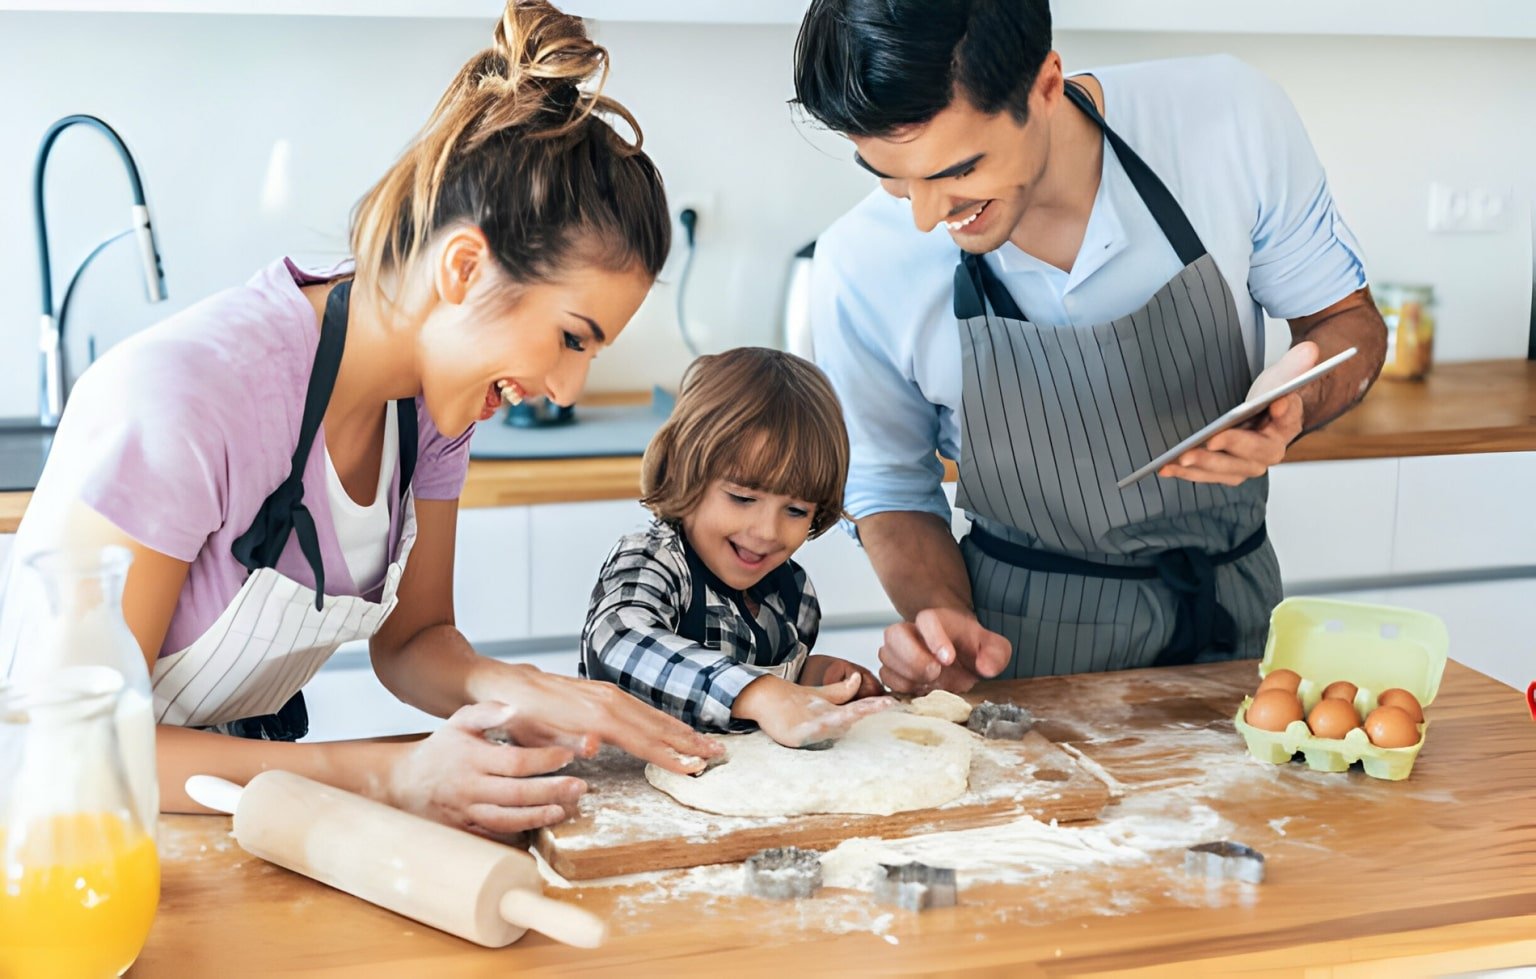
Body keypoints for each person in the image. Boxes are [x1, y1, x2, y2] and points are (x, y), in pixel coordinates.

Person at [0, 0, 722, 839]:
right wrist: (391, 774)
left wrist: (519, 686)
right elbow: (76, 740)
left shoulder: (438, 407)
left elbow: (413, 639)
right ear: (463, 267)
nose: (565, 388)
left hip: (235, 815)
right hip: (57, 832)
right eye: (570, 338)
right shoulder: (185, 397)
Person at [791, 0, 1388, 692]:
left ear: (1045, 84)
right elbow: (890, 487)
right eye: (890, 177)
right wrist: (943, 620)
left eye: (958, 170)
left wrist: (1297, 406)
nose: (926, 216)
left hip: (1238, 636)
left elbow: (1348, 323)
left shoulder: (1230, 120)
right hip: (1020, 662)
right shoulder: (859, 263)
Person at [581, 347, 891, 747]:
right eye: (743, 498)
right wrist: (757, 692)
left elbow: (778, 700)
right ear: (683, 469)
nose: (766, 531)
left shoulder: (794, 594)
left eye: (795, 510)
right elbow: (616, 641)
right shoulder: (654, 559)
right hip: (637, 785)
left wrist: (821, 681)